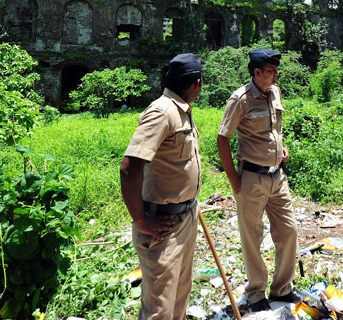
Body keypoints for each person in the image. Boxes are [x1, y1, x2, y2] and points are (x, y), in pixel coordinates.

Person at [120, 53, 203, 320]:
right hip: (162, 223)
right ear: (196, 84)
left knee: (179, 294)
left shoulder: (181, 111)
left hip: (184, 217)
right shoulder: (161, 112)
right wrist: (140, 220)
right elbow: (130, 167)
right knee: (159, 308)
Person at [217, 49, 300, 312]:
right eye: (271, 71)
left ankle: (282, 289)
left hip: (277, 177)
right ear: (256, 72)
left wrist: (281, 148)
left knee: (288, 232)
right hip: (251, 178)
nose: (276, 74)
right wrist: (234, 181)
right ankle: (256, 294)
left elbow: (275, 129)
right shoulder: (240, 100)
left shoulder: (274, 92)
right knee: (252, 238)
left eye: (276, 70)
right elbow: (223, 139)